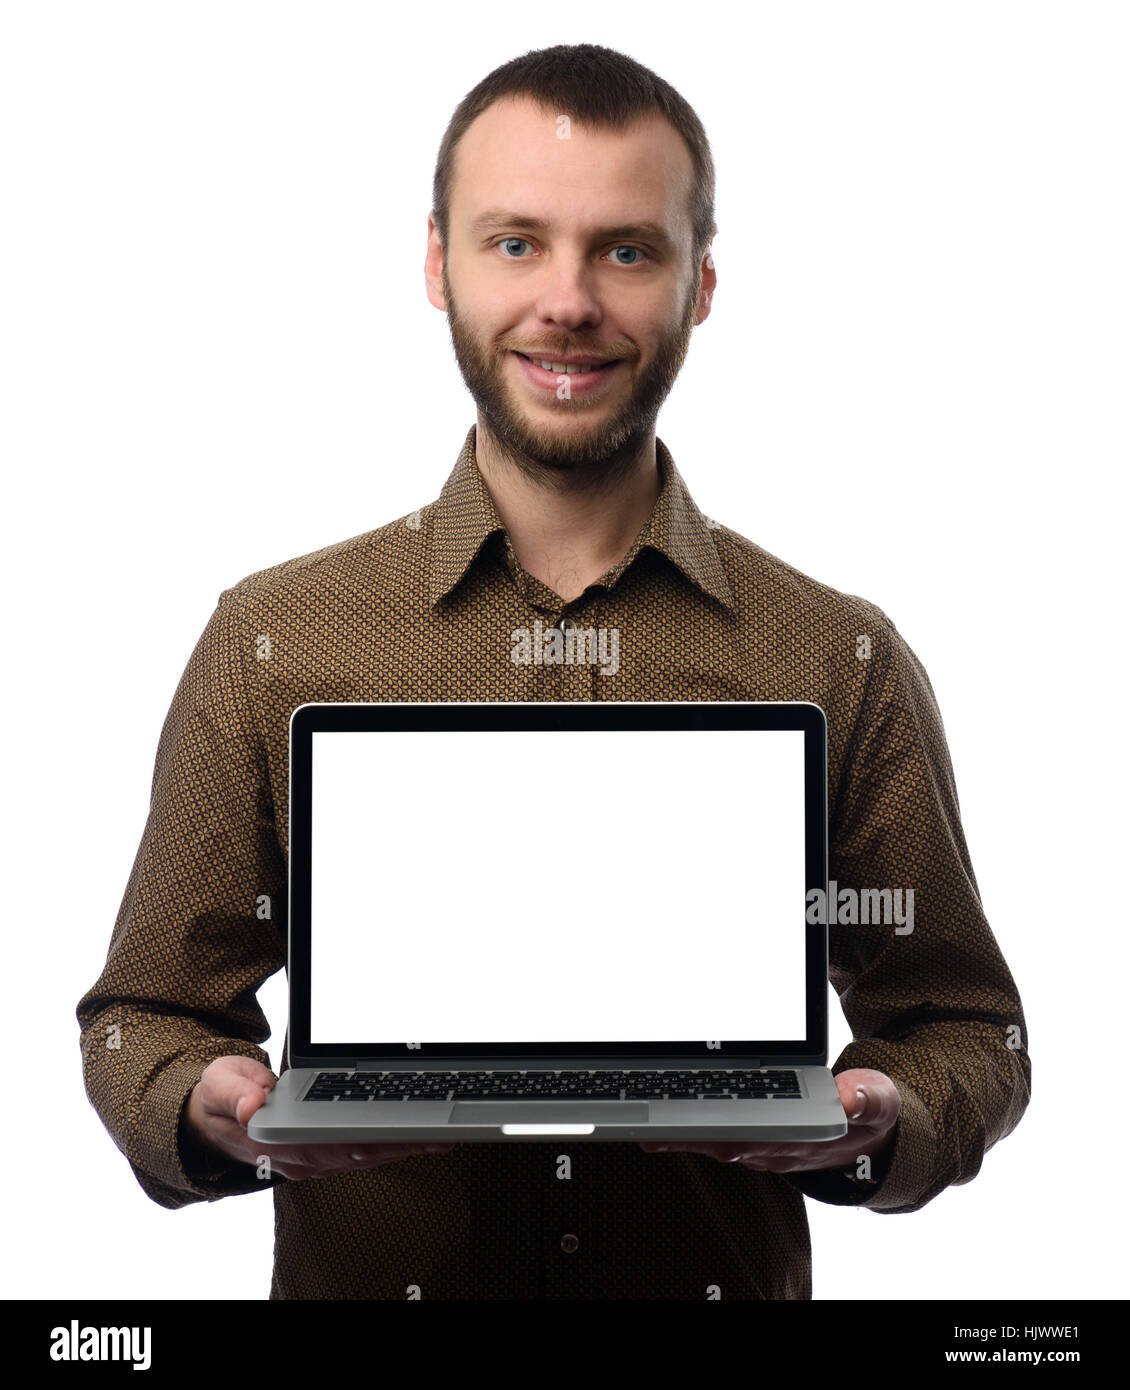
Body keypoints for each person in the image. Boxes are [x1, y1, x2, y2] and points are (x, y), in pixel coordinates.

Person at [77, 42, 1030, 1300]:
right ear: (438, 263)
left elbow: (969, 1031)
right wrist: (207, 1097)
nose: (567, 301)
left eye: (626, 249)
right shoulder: (274, 638)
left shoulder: (836, 655)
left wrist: (877, 1109)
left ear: (698, 283)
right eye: (514, 242)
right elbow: (141, 1012)